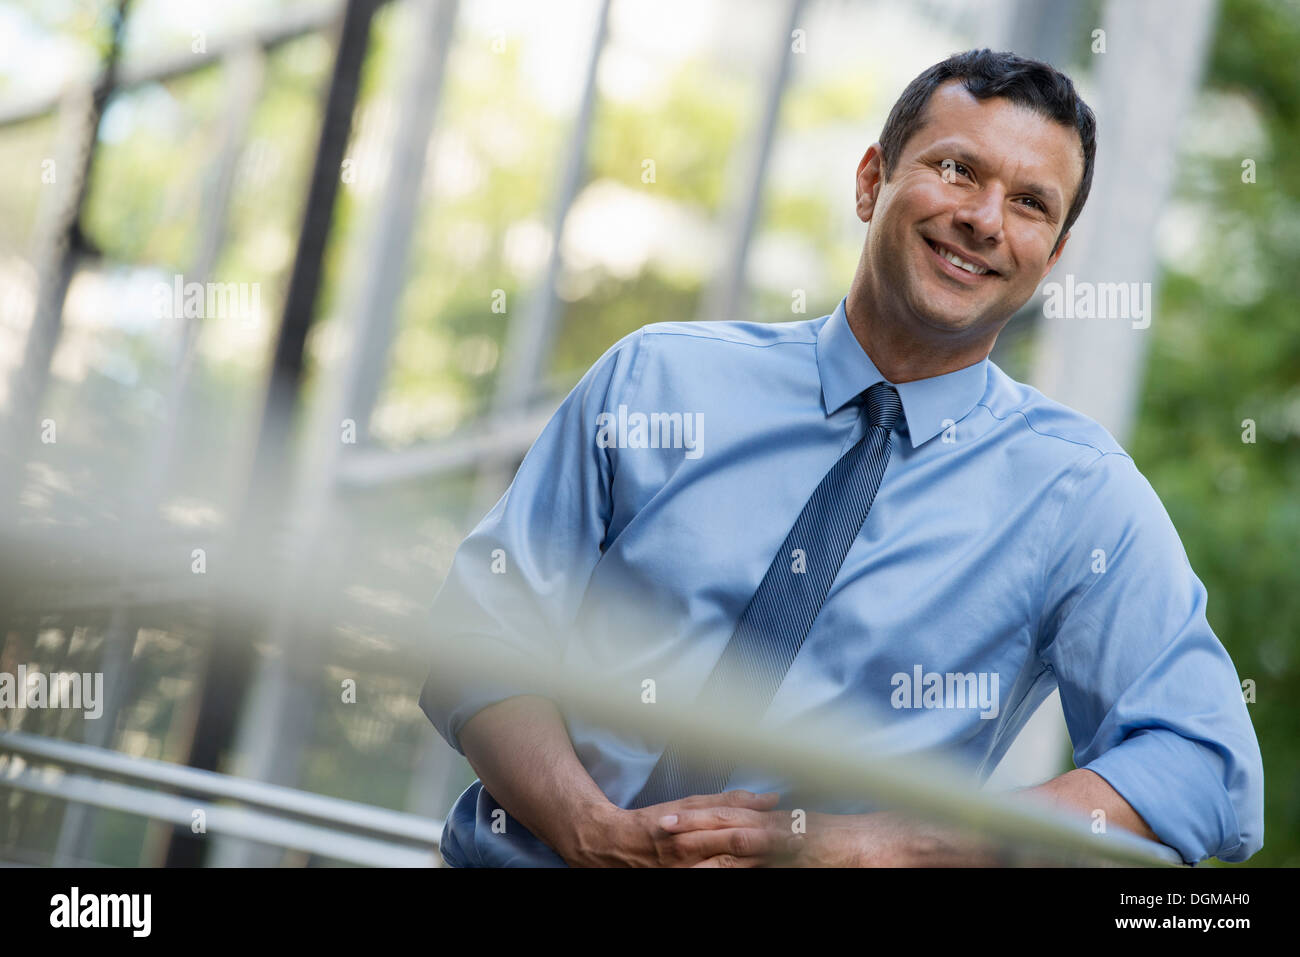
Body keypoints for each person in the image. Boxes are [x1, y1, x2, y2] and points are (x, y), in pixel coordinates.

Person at [418, 49, 1264, 867]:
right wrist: (593, 835)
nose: (984, 219)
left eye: (1032, 204)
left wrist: (881, 847)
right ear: (871, 181)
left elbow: (1207, 766)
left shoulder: (1079, 495)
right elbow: (479, 637)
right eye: (958, 169)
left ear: (1052, 256)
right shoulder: (657, 379)